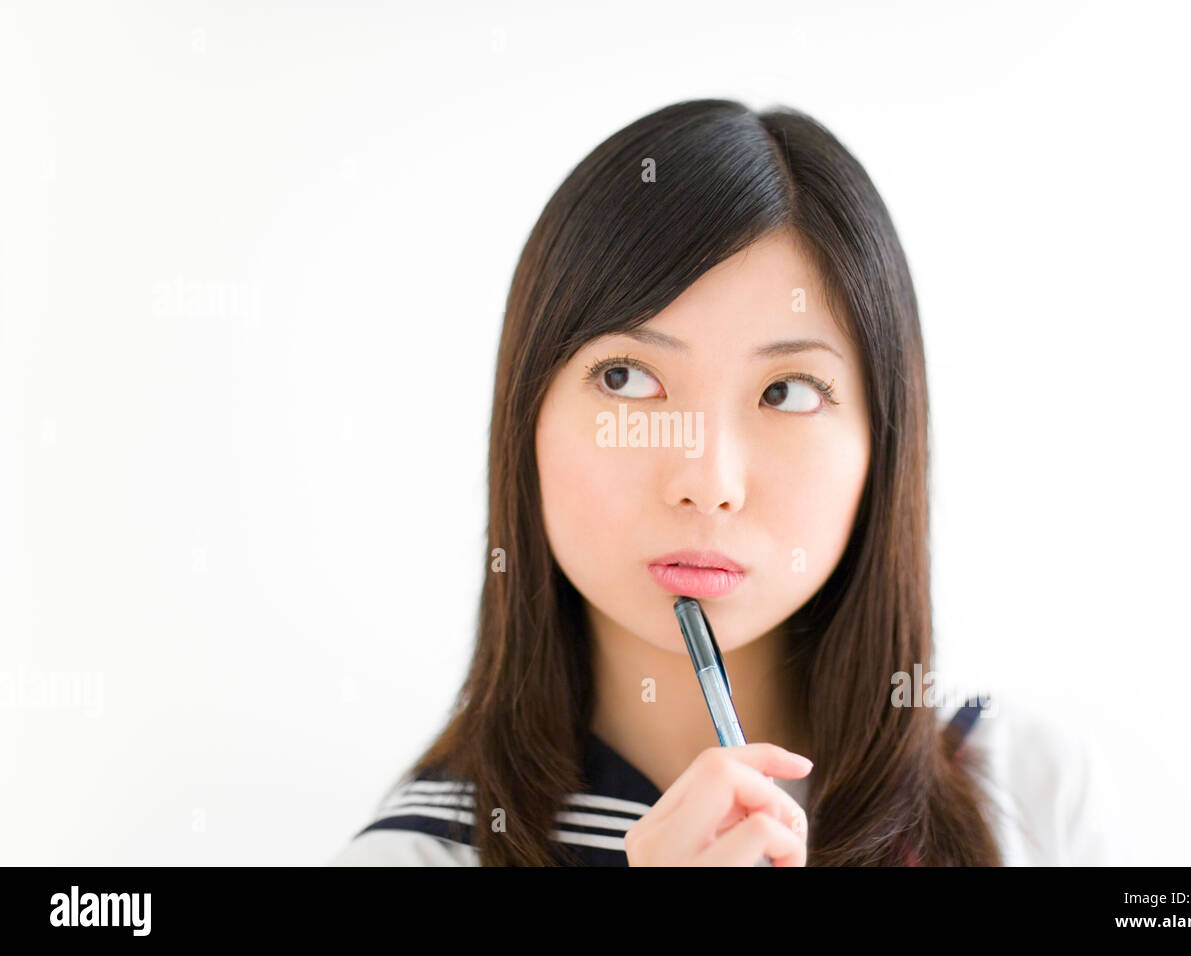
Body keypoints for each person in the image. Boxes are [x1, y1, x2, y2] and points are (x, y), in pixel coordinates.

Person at [327, 98, 1124, 866]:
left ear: (885, 445)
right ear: (524, 415)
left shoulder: (1024, 791)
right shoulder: (417, 855)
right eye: (628, 378)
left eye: (787, 392)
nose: (707, 481)